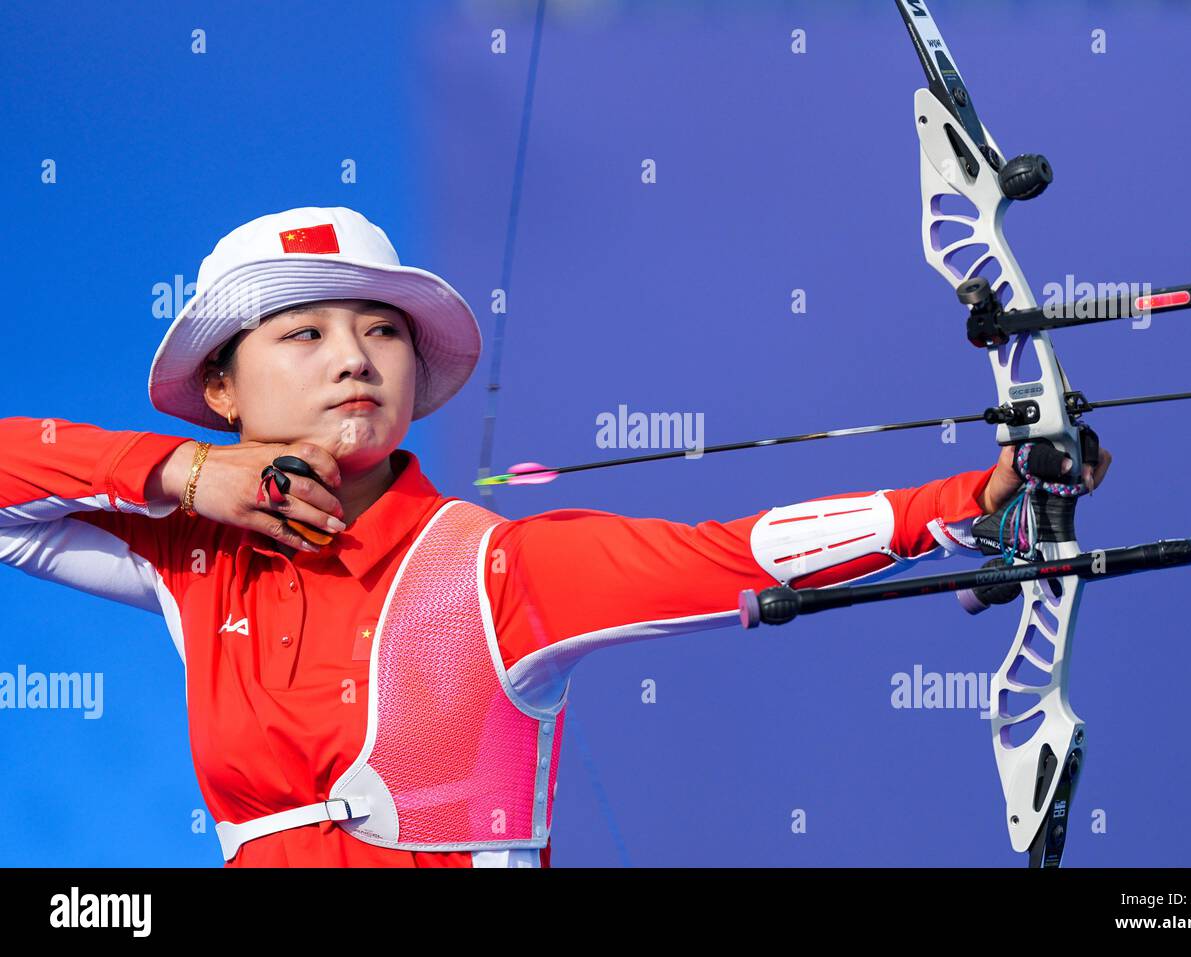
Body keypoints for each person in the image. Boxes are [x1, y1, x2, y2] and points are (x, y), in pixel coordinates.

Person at [0, 206, 1109, 867]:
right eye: (305, 333)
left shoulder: (496, 565)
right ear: (224, 392)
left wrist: (973, 498)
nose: (355, 356)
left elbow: (734, 553)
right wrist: (178, 472)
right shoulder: (192, 562)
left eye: (381, 330)